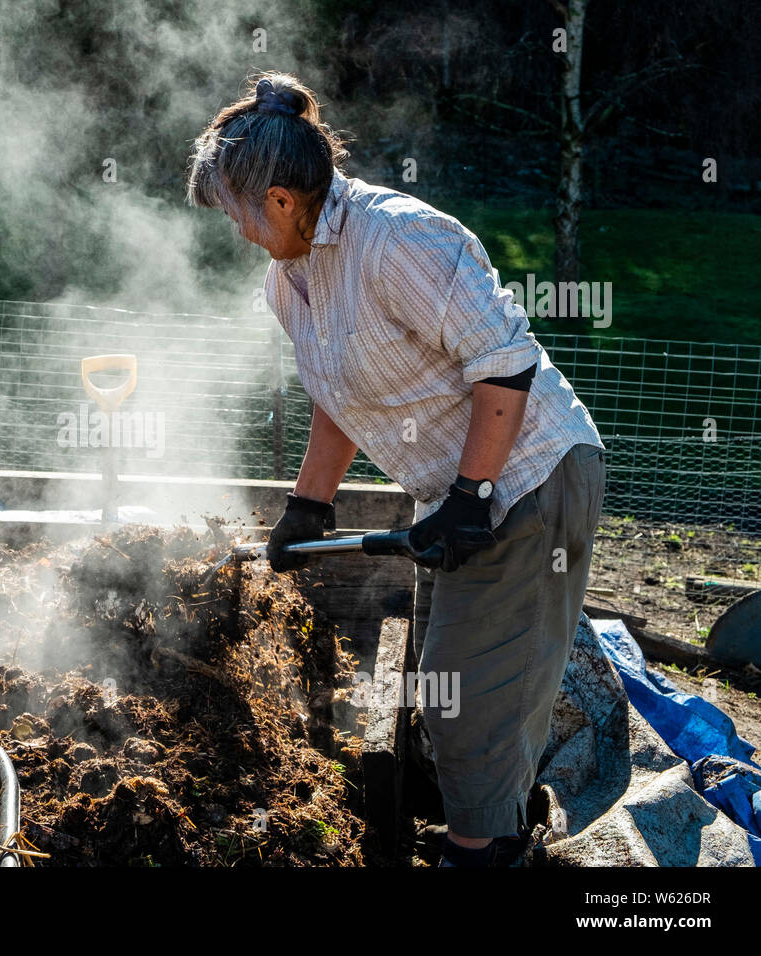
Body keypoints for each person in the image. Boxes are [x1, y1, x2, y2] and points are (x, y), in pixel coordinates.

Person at [186, 72, 607, 867]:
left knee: (468, 694)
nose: (235, 232)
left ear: (279, 200)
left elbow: (505, 364)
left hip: (527, 481)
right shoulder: (291, 280)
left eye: (236, 214)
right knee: (451, 686)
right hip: (455, 494)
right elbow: (338, 393)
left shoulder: (400, 240)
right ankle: (492, 834)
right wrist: (308, 504)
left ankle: (479, 854)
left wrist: (471, 496)